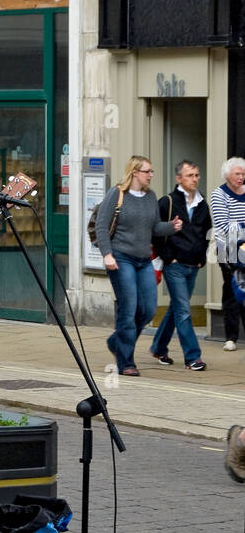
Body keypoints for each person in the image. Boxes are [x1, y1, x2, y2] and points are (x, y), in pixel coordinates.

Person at [96, 154, 182, 377]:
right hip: (121, 258)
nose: (151, 175)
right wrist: (107, 254)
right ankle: (126, 362)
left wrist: (171, 227)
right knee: (129, 310)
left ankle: (116, 342)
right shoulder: (117, 194)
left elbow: (153, 228)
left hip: (144, 260)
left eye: (151, 171)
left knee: (148, 310)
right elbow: (101, 227)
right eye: (147, 171)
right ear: (134, 172)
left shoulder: (150, 196)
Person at [148, 160, 212, 371]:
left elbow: (206, 232)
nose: (195, 179)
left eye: (197, 175)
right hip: (174, 265)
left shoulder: (203, 204)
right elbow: (155, 231)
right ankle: (193, 357)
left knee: (176, 308)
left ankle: (158, 346)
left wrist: (202, 256)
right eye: (190, 175)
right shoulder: (167, 202)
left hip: (193, 264)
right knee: (184, 310)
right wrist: (168, 257)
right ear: (179, 179)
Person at [209, 157, 245, 351]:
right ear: (227, 175)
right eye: (237, 174)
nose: (241, 178)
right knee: (232, 291)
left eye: (243, 174)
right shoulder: (219, 195)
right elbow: (223, 227)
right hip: (228, 251)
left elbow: (234, 226)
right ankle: (230, 337)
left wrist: (239, 226)